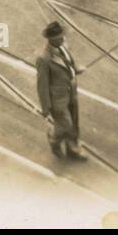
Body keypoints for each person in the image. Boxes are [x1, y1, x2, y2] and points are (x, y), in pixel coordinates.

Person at [35, 21, 86, 160]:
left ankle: (72, 150)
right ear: (50, 39)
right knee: (66, 125)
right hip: (58, 99)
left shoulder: (63, 46)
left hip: (71, 92)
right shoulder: (43, 59)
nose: (62, 39)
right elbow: (42, 85)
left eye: (62, 36)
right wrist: (45, 108)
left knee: (74, 123)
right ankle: (54, 139)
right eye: (59, 38)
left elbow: (69, 62)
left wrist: (75, 70)